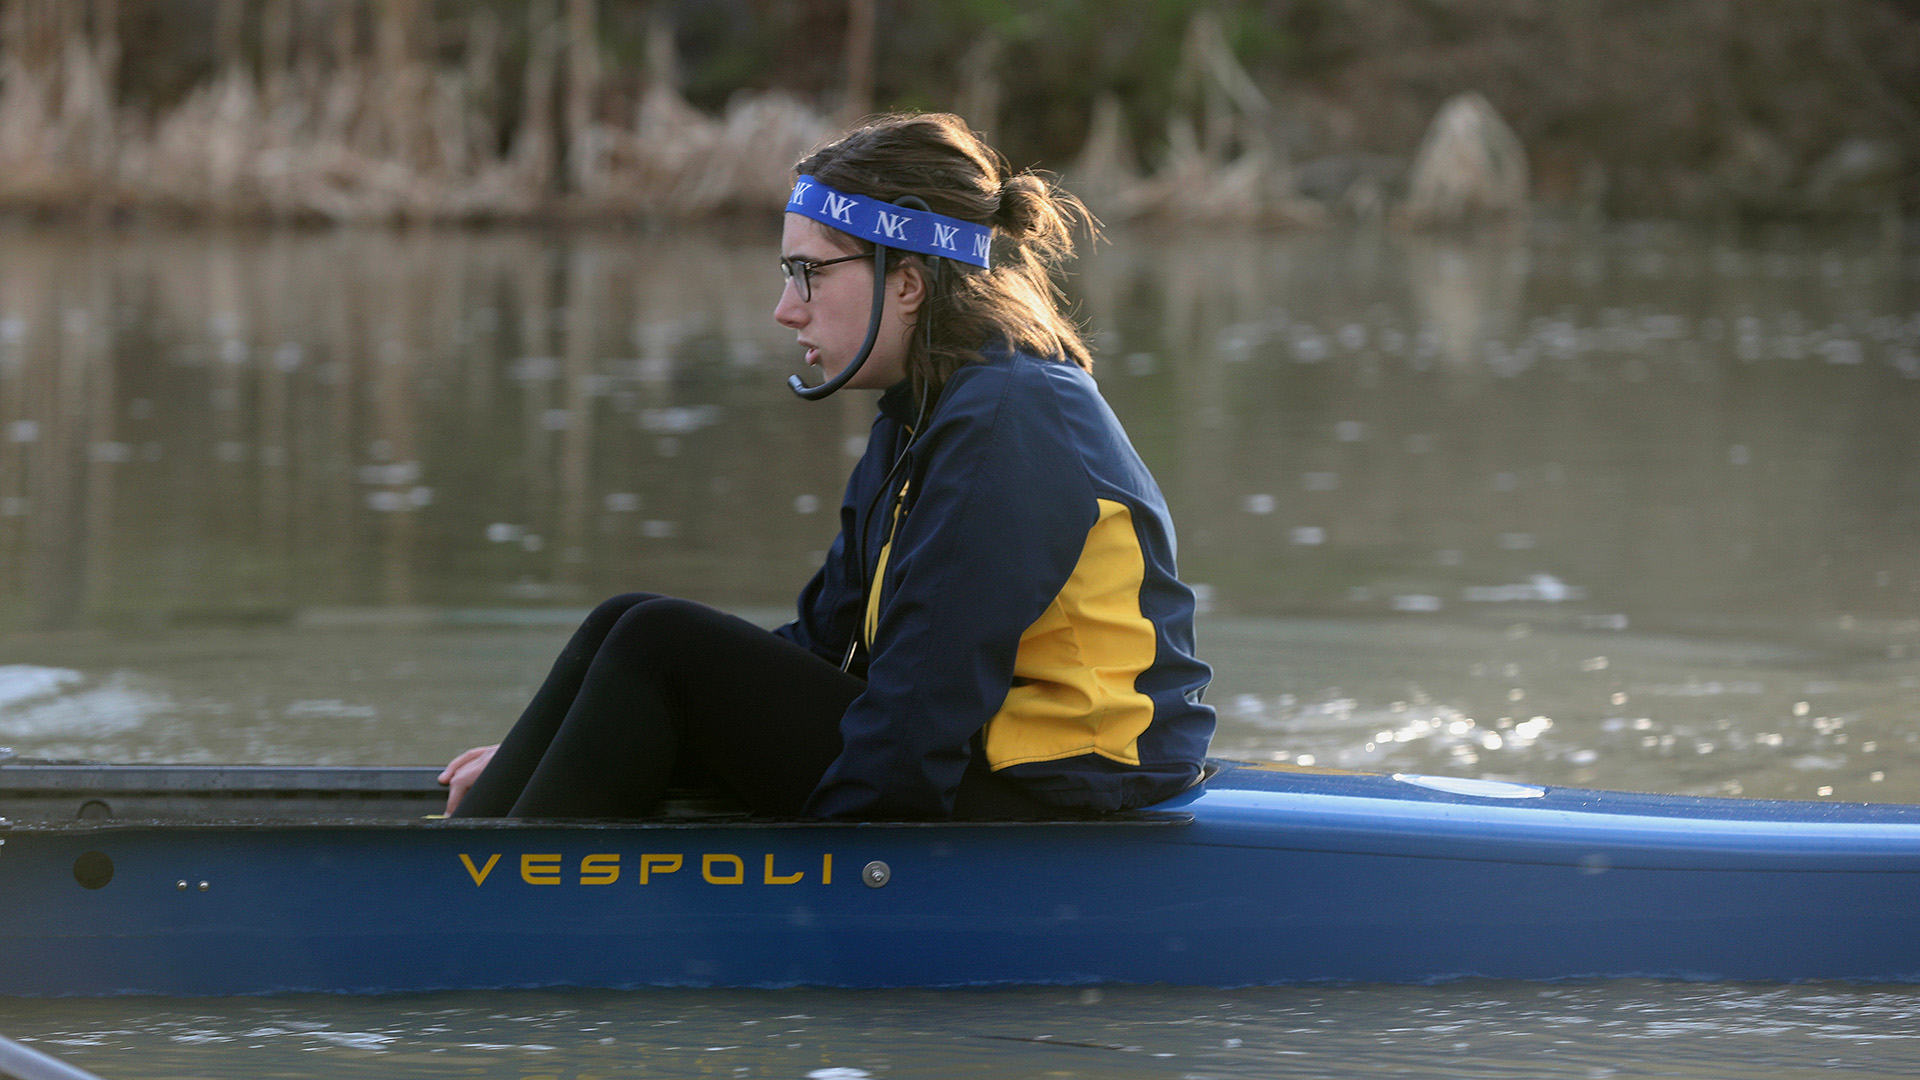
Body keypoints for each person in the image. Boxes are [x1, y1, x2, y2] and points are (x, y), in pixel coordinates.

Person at [440, 112, 1213, 820]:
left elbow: (917, 718)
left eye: (809, 273)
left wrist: (829, 892)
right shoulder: (924, 414)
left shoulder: (1010, 424)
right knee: (628, 622)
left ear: (906, 284)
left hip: (1067, 809)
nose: (786, 307)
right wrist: (567, 742)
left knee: (659, 645)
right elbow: (821, 652)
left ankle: (480, 902)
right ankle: (481, 858)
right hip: (978, 771)